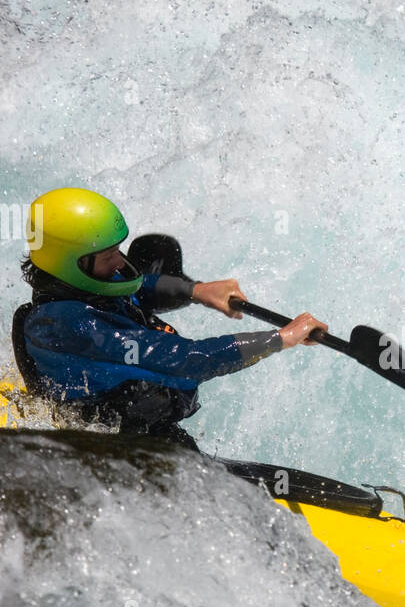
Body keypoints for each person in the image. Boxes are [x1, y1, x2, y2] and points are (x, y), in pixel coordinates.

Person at [13, 187, 327, 450]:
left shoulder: (77, 290)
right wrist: (281, 338)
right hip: (117, 444)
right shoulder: (75, 325)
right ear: (73, 264)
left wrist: (198, 291)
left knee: (155, 259)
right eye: (109, 256)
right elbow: (186, 359)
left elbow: (138, 289)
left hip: (139, 424)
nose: (121, 261)